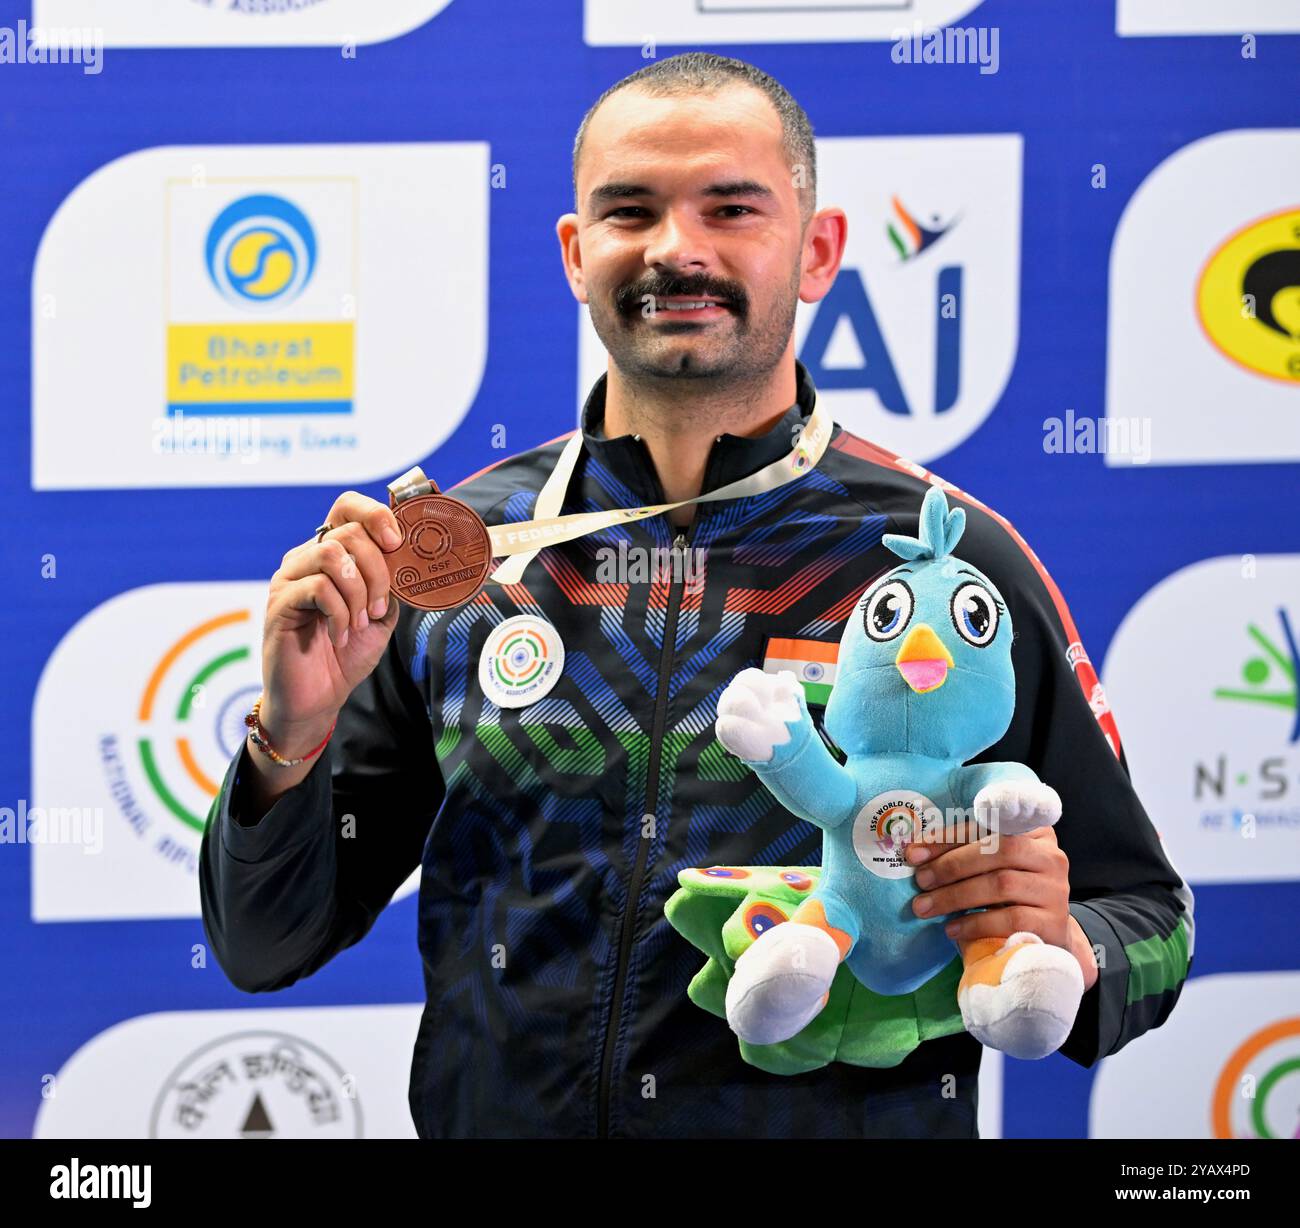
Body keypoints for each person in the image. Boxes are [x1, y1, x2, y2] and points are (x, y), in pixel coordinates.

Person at [199, 52, 1194, 1139]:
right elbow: (266, 944)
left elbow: (1152, 922)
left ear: (816, 253)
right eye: (631, 211)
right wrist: (288, 738)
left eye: (732, 208)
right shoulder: (464, 563)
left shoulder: (945, 570)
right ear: (578, 256)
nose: (678, 248)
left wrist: (1067, 942)